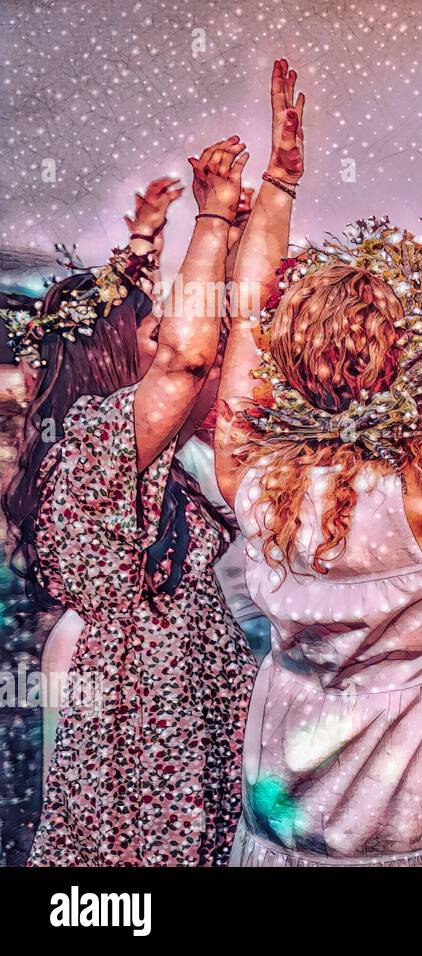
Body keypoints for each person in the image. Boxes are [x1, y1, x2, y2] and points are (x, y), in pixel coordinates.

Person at [214, 66, 422, 866]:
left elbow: (242, 321)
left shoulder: (252, 480)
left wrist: (277, 188)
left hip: (289, 829)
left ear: (287, 364)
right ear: (404, 365)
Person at [1, 136, 256, 865]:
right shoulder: (94, 445)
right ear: (117, 355)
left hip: (176, 688)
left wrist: (222, 234)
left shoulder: (122, 443)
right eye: (150, 332)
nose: (167, 337)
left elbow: (202, 339)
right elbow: (189, 356)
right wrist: (209, 222)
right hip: (145, 709)